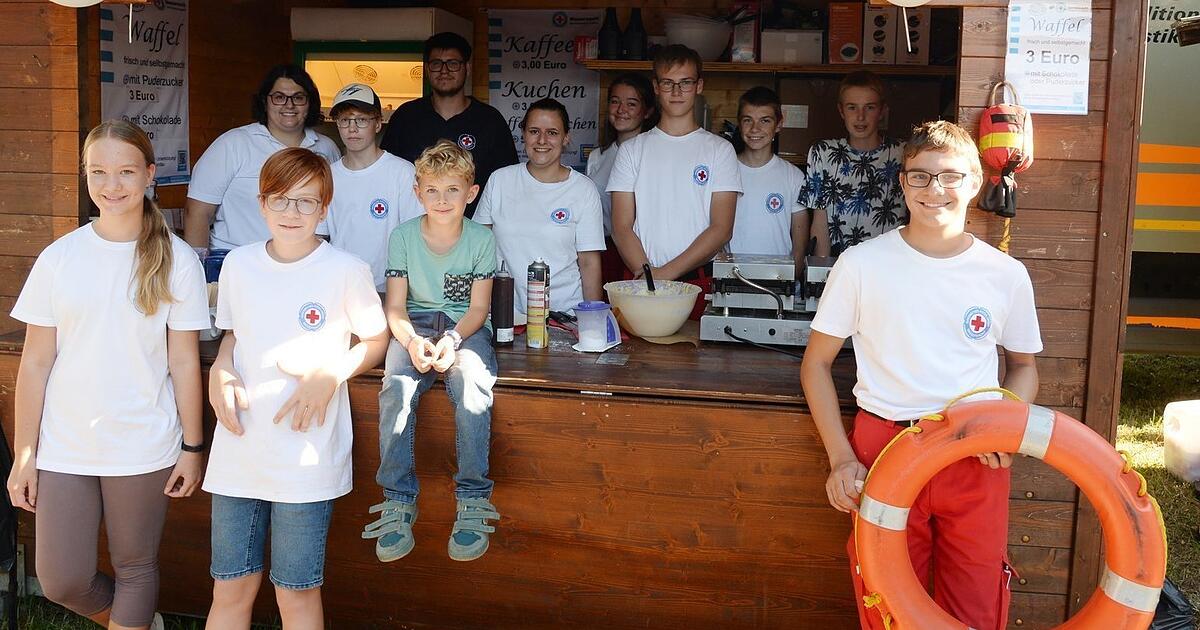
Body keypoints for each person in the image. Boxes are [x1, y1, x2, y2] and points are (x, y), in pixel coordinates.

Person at [800, 120, 1043, 630]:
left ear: (976, 181)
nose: (935, 190)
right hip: (884, 451)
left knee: (976, 604)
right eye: (920, 177)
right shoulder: (862, 264)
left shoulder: (1004, 274)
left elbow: (1022, 367)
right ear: (902, 183)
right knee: (887, 603)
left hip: (971, 454)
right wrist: (841, 458)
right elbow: (816, 365)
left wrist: (1008, 419)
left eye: (950, 177)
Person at [7, 120, 209, 630]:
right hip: (65, 443)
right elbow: (34, 363)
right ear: (85, 175)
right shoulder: (60, 257)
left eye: (124, 171)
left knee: (135, 568)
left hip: (142, 440)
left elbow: (183, 360)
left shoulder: (177, 260)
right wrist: (24, 456)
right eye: (98, 172)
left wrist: (192, 445)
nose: (111, 185)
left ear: (149, 174)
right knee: (61, 579)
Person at [204, 148, 389, 629]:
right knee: (230, 585)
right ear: (262, 203)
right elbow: (233, 336)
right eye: (281, 200)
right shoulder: (238, 265)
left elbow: (376, 338)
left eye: (307, 202)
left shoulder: (345, 269)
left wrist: (332, 374)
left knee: (296, 591)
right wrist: (220, 371)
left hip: (305, 454)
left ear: (325, 208)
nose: (292, 213)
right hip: (240, 448)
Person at [363, 140, 500, 564]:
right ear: (418, 192)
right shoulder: (403, 236)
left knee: (471, 382)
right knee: (397, 387)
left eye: (453, 190)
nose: (442, 200)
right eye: (433, 190)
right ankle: (398, 497)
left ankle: (473, 496)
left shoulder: (481, 238)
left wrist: (453, 342)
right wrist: (409, 342)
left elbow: (478, 308)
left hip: (465, 329)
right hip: (416, 325)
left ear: (471, 193)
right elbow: (396, 307)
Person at [607, 45, 742, 319]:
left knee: (698, 360)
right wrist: (647, 276)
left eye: (685, 83)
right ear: (656, 87)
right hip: (640, 280)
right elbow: (621, 226)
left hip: (698, 282)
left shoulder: (719, 150)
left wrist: (663, 276)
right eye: (668, 83)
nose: (677, 92)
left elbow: (721, 228)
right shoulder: (633, 150)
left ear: (699, 85)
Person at [184, 64, 341, 251]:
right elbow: (197, 212)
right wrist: (199, 268)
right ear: (265, 102)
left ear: (310, 103)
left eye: (298, 97)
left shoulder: (327, 148)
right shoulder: (233, 144)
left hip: (301, 265)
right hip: (235, 262)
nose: (289, 105)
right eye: (279, 97)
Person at [475, 98, 605, 321]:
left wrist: (593, 322)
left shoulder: (583, 189)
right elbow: (477, 247)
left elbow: (589, 262)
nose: (542, 140)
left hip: (563, 316)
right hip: (506, 315)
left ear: (566, 138)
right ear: (523, 134)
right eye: (534, 131)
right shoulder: (500, 180)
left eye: (552, 132)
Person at [379, 32, 518, 218]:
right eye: (437, 64)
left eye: (453, 64)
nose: (444, 71)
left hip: (475, 231)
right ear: (428, 69)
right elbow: (386, 173)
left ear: (466, 68)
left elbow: (508, 182)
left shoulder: (490, 120)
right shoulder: (406, 117)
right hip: (414, 230)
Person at [326, 83, 424, 291]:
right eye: (345, 120)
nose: (352, 128)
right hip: (340, 285)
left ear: (378, 124)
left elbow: (416, 235)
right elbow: (320, 237)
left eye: (361, 119)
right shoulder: (327, 176)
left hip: (390, 289)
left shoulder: (402, 172)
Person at [797, 71, 905, 257]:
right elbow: (820, 222)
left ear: (882, 111)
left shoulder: (903, 153)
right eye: (852, 107)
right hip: (839, 267)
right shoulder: (822, 153)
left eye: (869, 107)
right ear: (841, 110)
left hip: (890, 266)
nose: (860, 116)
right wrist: (823, 275)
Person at [586, 73, 657, 283]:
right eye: (615, 102)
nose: (621, 110)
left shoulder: (653, 153)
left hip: (640, 254)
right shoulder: (597, 156)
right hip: (603, 251)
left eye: (631, 104)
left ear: (647, 112)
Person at [729, 86, 807, 268]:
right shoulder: (725, 170)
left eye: (765, 121)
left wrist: (790, 278)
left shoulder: (793, 176)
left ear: (779, 124)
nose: (755, 128)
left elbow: (800, 242)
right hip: (730, 277)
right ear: (739, 124)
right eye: (748, 120)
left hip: (778, 280)